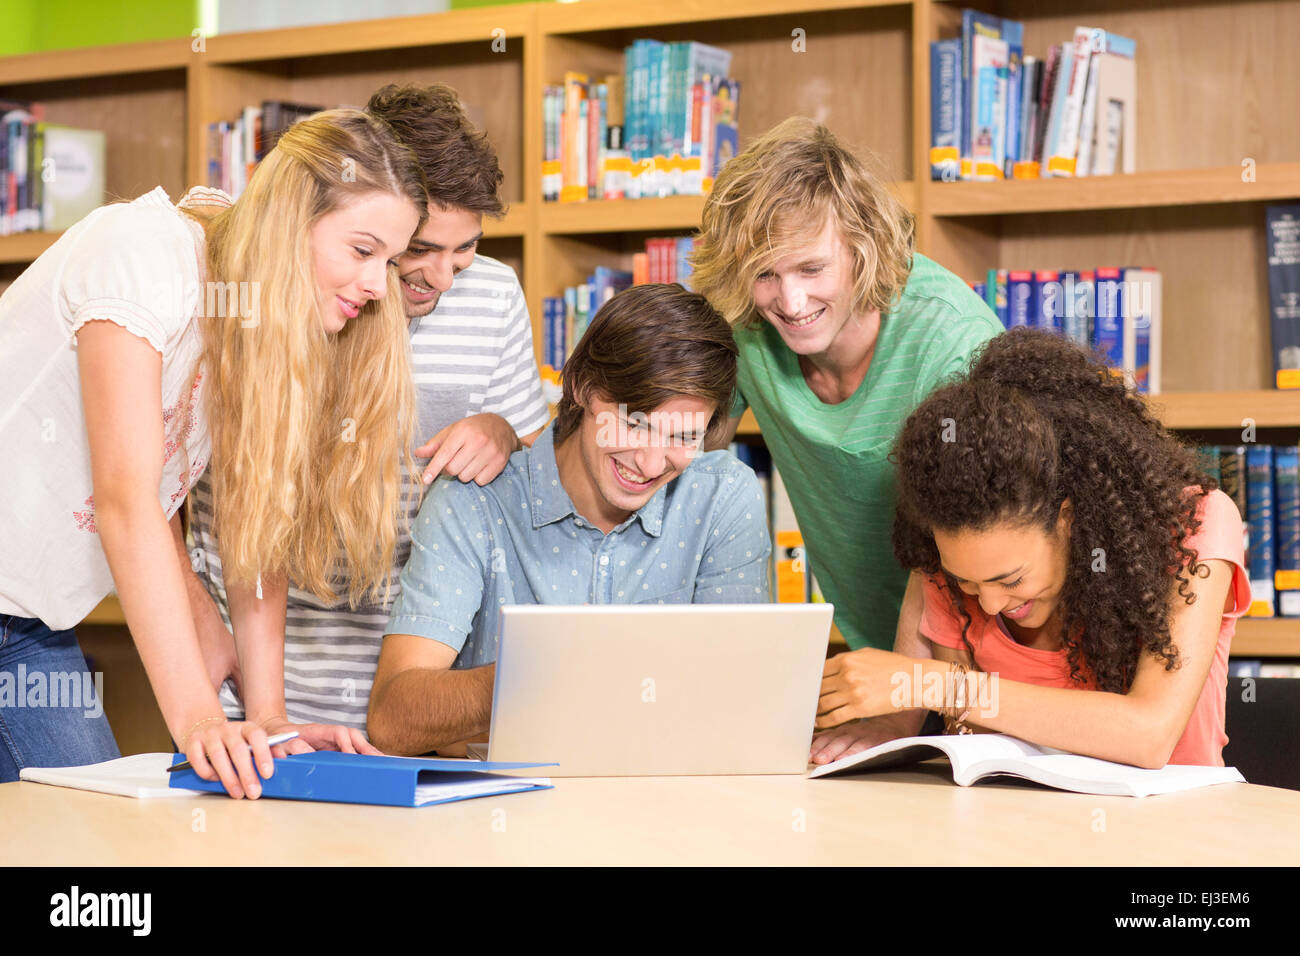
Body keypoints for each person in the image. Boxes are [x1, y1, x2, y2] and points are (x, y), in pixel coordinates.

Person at [0, 108, 426, 795]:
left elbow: (253, 527)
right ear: (291, 219)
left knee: (82, 840)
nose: (379, 286)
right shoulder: (140, 252)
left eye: (392, 261)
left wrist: (270, 719)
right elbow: (127, 499)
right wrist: (201, 719)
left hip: (30, 625)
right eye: (362, 250)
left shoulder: (260, 324)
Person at [185, 83, 548, 732]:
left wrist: (503, 433)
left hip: (415, 679)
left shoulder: (493, 295)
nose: (441, 278)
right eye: (423, 249)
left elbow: (535, 475)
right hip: (248, 665)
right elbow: (165, 476)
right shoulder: (255, 289)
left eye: (464, 250)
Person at [367, 284, 771, 755]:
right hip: (503, 816)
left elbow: (740, 711)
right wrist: (541, 674)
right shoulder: (472, 501)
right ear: (581, 387)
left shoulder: (722, 497)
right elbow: (393, 721)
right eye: (634, 423)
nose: (650, 462)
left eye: (682, 436)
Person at [816, 328, 1249, 768]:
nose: (989, 601)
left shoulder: (1193, 527)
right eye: (966, 582)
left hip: (1176, 829)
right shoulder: (954, 552)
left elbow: (1149, 735)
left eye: (1011, 579)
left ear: (1068, 516)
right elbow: (976, 748)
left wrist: (936, 684)